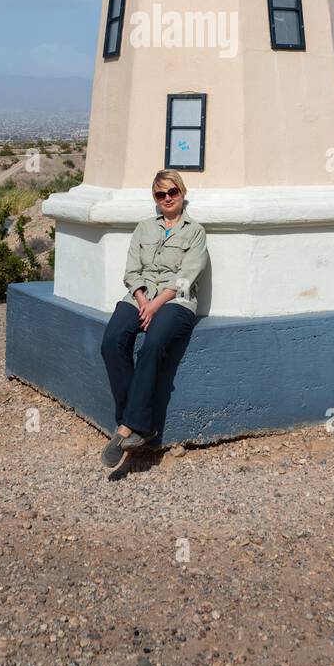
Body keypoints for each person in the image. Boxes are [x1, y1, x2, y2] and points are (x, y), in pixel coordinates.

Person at [100, 170, 207, 467]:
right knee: (112, 342)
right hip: (139, 298)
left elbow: (187, 277)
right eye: (161, 194)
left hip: (176, 302)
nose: (168, 198)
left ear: (182, 193)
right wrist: (143, 301)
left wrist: (157, 304)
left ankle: (125, 428)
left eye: (173, 192)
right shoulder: (144, 228)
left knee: (153, 345)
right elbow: (131, 271)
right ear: (155, 199)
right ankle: (139, 425)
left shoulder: (195, 231)